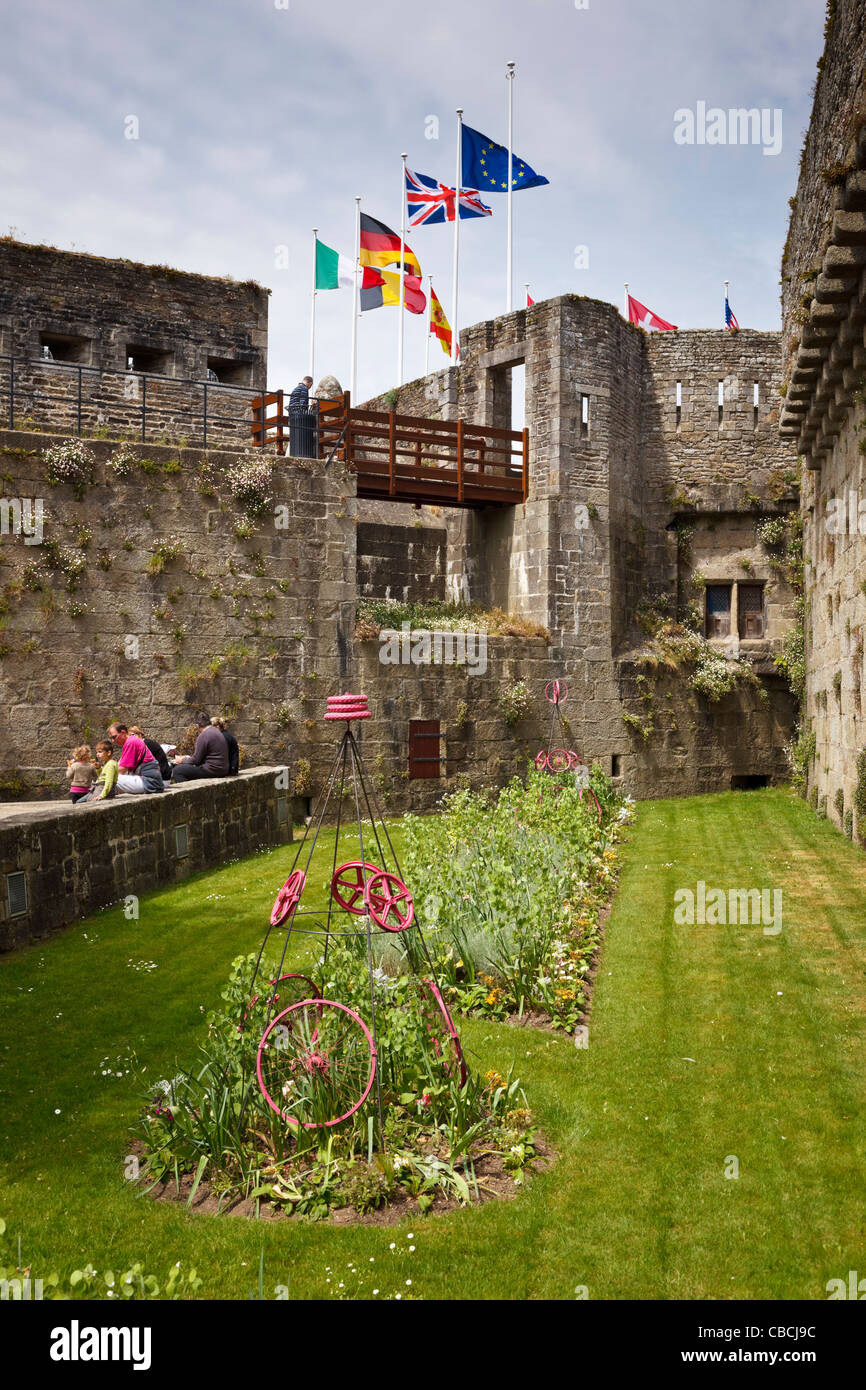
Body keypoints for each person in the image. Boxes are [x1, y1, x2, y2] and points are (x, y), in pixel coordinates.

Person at [171, 711, 229, 783]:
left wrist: (181, 760)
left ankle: (188, 792)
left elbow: (196, 760)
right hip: (223, 769)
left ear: (198, 726)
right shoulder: (217, 732)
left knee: (178, 770)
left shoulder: (204, 735)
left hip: (213, 771)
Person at [109, 722, 165, 794]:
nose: (113, 741)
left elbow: (122, 770)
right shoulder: (131, 740)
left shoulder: (131, 742)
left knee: (110, 779)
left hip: (150, 783)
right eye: (111, 738)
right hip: (152, 782)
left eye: (114, 737)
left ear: (123, 732)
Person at [289, 375, 315, 458]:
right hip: (298, 414)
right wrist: (305, 413)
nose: (310, 387)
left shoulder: (297, 388)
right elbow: (303, 403)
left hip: (292, 414)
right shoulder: (304, 389)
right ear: (310, 383)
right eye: (311, 385)